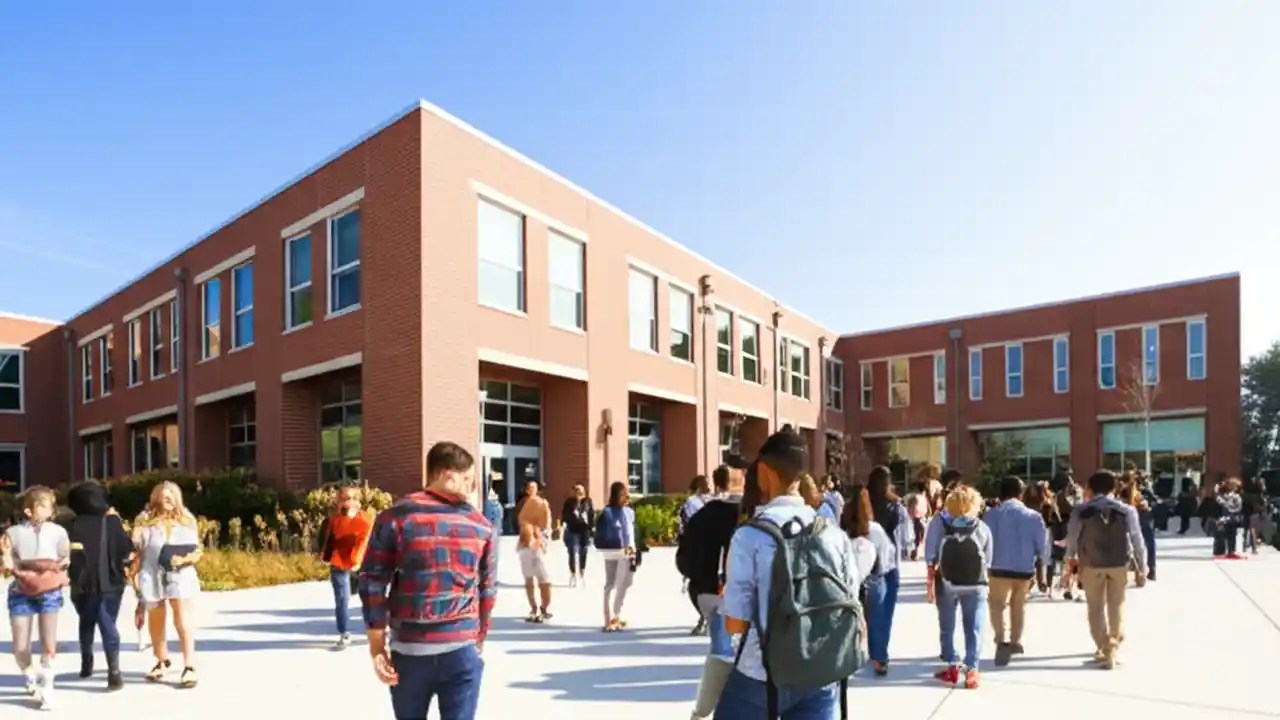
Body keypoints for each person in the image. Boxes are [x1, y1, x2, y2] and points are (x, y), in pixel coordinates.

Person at [714, 429, 874, 719]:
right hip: (823, 672)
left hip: (761, 675)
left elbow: (736, 624)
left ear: (764, 471)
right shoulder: (833, 533)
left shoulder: (750, 536)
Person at [359, 441, 496, 720]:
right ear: (448, 474)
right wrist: (478, 637)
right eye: (469, 480)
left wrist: (377, 645)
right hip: (461, 650)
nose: (472, 489)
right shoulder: (482, 525)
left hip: (409, 652)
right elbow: (488, 590)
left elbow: (372, 580)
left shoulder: (395, 517)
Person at [1065, 470, 1147, 669]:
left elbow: (1072, 537)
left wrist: (1070, 558)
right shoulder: (1127, 510)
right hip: (1119, 563)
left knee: (1095, 607)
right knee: (1116, 605)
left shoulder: (1081, 510)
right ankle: (1114, 644)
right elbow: (1137, 539)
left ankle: (1104, 646)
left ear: (1090, 489)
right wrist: (1142, 565)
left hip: (1091, 564)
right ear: (1114, 488)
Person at [683, 463, 745, 719]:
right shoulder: (749, 515)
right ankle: (714, 708)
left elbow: (684, 554)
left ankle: (708, 709)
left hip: (706, 590)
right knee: (725, 653)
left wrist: (696, 576)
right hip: (730, 590)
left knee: (721, 649)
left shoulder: (703, 512)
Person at [2, 486, 70, 709]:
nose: (48, 508)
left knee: (49, 641)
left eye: (49, 505)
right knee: (21, 645)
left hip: (49, 589)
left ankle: (47, 686)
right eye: (42, 505)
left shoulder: (59, 531)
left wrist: (61, 566)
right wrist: (7, 561)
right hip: (21, 589)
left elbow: (64, 556)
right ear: (28, 510)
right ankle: (28, 672)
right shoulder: (12, 534)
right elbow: (7, 561)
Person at [133, 481, 203, 688]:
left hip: (179, 575)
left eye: (170, 496)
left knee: (182, 619)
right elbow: (136, 549)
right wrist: (139, 528)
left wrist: (185, 560)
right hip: (152, 574)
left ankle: (189, 664)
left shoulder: (187, 520)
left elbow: (196, 550)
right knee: (156, 619)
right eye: (163, 497)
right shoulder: (147, 522)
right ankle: (161, 660)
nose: (167, 501)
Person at [67, 480, 133, 691]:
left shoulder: (70, 523)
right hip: (110, 580)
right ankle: (114, 670)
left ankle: (87, 661)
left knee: (86, 621)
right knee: (108, 622)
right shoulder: (111, 522)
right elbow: (126, 549)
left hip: (82, 582)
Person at [925, 485, 992, 689]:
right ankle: (972, 669)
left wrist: (930, 580)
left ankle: (952, 663)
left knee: (947, 624)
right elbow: (988, 560)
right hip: (975, 584)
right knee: (974, 627)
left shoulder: (939, 522)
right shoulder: (981, 527)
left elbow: (930, 554)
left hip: (947, 582)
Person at [983, 476, 1047, 667]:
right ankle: (1015, 640)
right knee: (1018, 605)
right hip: (1024, 569)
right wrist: (1040, 566)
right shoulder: (1034, 516)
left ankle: (1000, 638)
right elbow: (1042, 547)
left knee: (996, 604)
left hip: (998, 568)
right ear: (1021, 493)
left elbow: (984, 541)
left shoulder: (991, 515)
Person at [841, 484, 896, 676]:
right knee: (877, 622)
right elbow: (888, 555)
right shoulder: (875, 529)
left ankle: (849, 657)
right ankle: (879, 659)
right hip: (874, 578)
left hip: (848, 581)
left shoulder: (842, 530)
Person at [318, 483, 374, 649]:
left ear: (358, 501)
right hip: (339, 564)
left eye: (351, 498)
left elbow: (366, 542)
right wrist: (324, 556)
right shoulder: (334, 521)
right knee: (342, 598)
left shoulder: (365, 520)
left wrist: (359, 561)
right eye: (343, 499)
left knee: (368, 598)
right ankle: (344, 633)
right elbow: (327, 539)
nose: (347, 502)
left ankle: (373, 630)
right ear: (338, 502)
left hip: (360, 565)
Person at [596, 481, 637, 632]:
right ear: (615, 495)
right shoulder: (608, 512)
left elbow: (631, 533)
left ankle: (617, 615)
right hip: (614, 551)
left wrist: (635, 550)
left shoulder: (629, 512)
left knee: (625, 583)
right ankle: (610, 618)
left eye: (626, 493)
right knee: (612, 584)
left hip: (628, 552)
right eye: (622, 494)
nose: (626, 496)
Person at [516, 482, 553, 621]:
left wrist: (542, 538)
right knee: (528, 578)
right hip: (525, 545)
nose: (531, 490)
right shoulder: (522, 505)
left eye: (534, 487)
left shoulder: (543, 503)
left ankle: (544, 607)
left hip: (538, 545)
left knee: (544, 579)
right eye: (529, 487)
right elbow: (518, 522)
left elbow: (547, 525)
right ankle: (534, 608)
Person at [560, 484, 594, 587]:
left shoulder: (588, 501)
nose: (579, 492)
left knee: (584, 551)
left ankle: (582, 573)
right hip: (572, 529)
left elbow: (591, 514)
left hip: (584, 530)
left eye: (581, 490)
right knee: (572, 551)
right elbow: (564, 515)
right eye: (577, 490)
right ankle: (573, 574)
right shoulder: (569, 502)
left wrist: (592, 527)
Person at [1212, 477, 1245, 559]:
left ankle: (1230, 551)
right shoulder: (1226, 496)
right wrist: (1219, 485)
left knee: (1231, 535)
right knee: (1224, 534)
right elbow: (1216, 496)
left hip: (1231, 518)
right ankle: (1221, 551)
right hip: (1227, 517)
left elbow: (1238, 508)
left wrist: (1228, 507)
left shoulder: (1235, 497)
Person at [904, 481, 929, 561]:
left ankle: (915, 551)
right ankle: (915, 552)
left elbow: (910, 506)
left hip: (917, 517)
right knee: (918, 535)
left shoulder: (916, 497)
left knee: (918, 535)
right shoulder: (919, 497)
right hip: (918, 518)